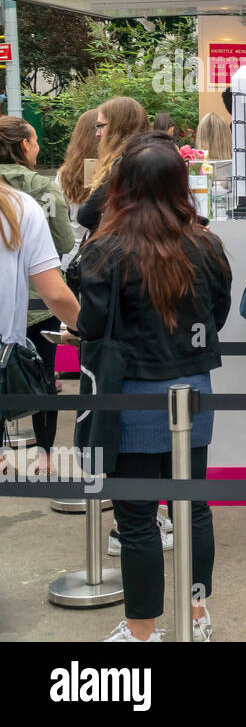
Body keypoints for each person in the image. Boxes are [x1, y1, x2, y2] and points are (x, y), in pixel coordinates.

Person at [78, 133, 231, 642]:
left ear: (122, 186)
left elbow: (93, 324)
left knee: (137, 517)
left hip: (129, 398)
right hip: (194, 391)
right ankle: (198, 617)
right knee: (193, 509)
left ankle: (142, 630)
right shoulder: (207, 244)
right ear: (180, 184)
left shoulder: (106, 249)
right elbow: (218, 315)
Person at [0, 118, 76, 475]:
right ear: (24, 145)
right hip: (38, 296)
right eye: (34, 140)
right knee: (43, 375)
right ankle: (44, 454)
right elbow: (63, 243)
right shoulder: (38, 189)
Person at [78, 97, 149, 236]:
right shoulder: (156, 156)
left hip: (121, 249)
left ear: (118, 127)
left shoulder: (120, 164)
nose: (97, 134)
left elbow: (86, 215)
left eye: (100, 126)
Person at [57, 109, 99, 220]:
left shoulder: (65, 173)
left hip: (72, 235)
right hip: (103, 235)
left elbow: (57, 212)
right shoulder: (111, 168)